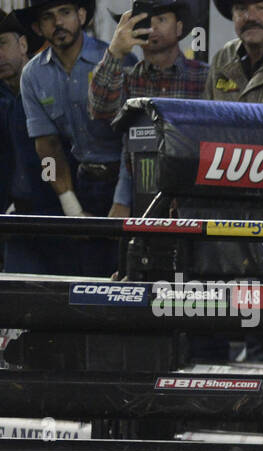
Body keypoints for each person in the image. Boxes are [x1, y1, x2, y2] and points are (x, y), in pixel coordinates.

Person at [18, 0, 131, 275]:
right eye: (48, 17)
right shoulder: (33, 75)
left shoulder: (116, 58)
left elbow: (134, 136)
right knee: (88, 276)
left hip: (128, 176)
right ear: (38, 27)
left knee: (131, 274)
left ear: (81, 15)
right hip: (84, 182)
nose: (58, 23)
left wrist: (123, 200)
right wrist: (71, 208)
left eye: (65, 12)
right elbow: (47, 150)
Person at [90, 1, 208, 218]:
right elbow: (100, 110)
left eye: (161, 19)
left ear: (179, 28)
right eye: (145, 21)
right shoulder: (127, 79)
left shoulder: (205, 77)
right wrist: (115, 51)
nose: (152, 28)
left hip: (196, 195)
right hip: (141, 192)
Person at [0, 11, 61, 274]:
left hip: (57, 210)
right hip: (17, 215)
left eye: (2, 43)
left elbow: (54, 150)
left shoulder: (48, 82)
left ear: (23, 44)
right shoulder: (7, 99)